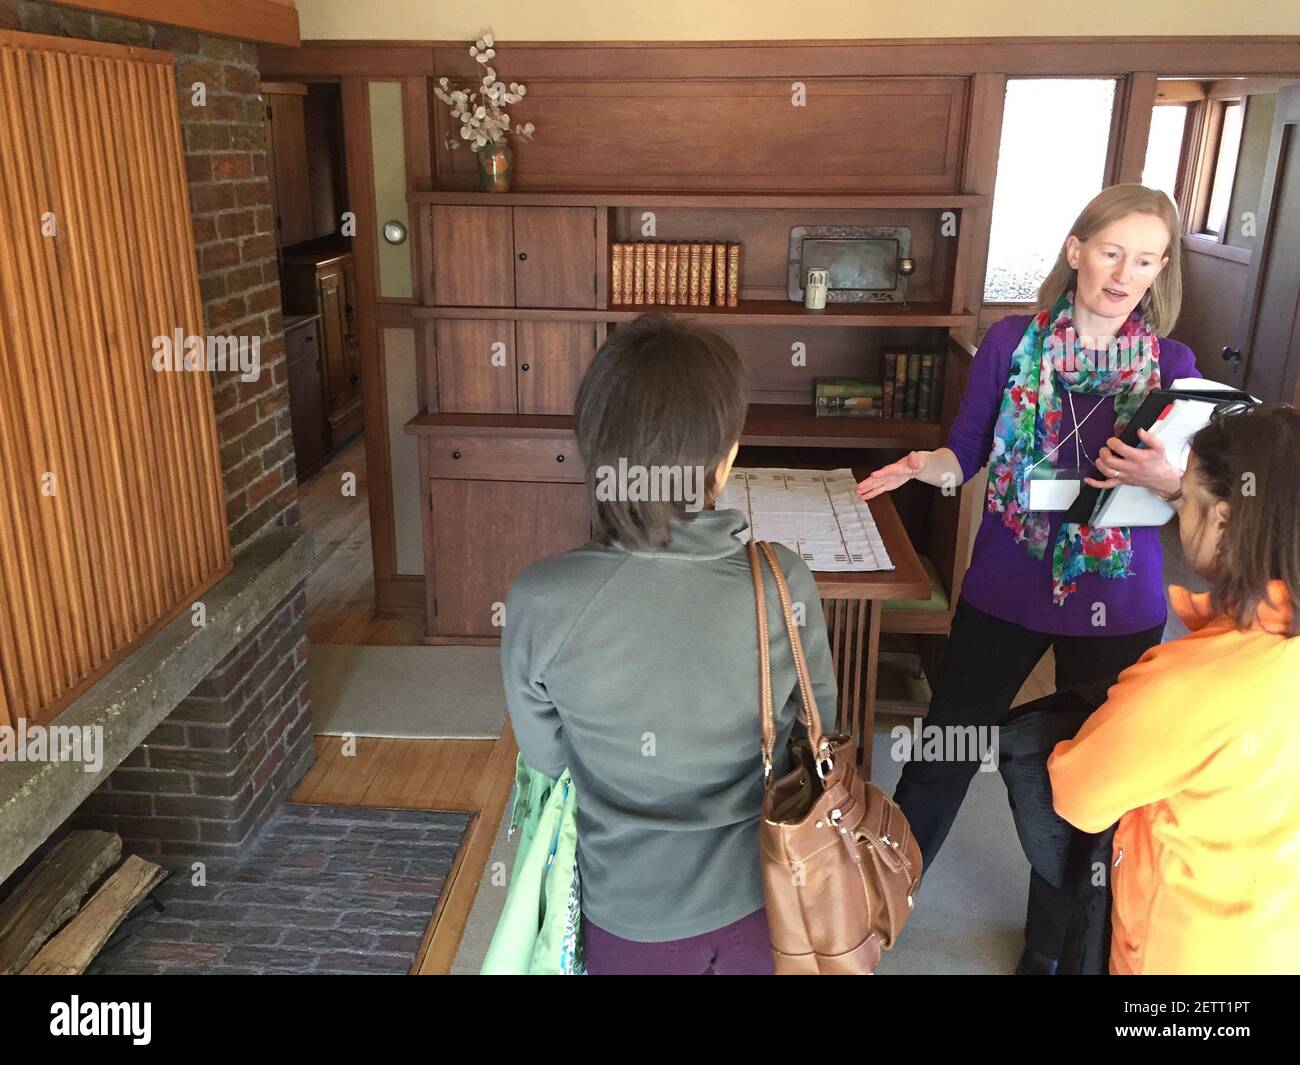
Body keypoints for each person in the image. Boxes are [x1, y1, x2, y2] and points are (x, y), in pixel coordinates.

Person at [857, 184, 1202, 973]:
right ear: (1076, 248)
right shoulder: (1011, 343)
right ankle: (869, 921)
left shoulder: (1173, 366)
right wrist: (929, 468)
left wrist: (1169, 476)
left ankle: (1055, 950)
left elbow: (1200, 496)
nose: (1124, 274)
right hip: (1005, 587)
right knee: (942, 753)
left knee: (1092, 790)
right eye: (1112, 251)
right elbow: (965, 451)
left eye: (1146, 260)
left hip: (1120, 604)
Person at [500, 313, 838, 976]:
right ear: (727, 455)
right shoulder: (782, 580)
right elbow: (819, 725)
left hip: (626, 916)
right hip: (766, 903)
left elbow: (546, 759)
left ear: (596, 451)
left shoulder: (541, 597)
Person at [1048, 404, 1300, 974]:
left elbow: (1079, 795)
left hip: (1186, 953)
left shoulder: (1191, 679)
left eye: (1184, 500)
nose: (1178, 516)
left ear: (1225, 521)